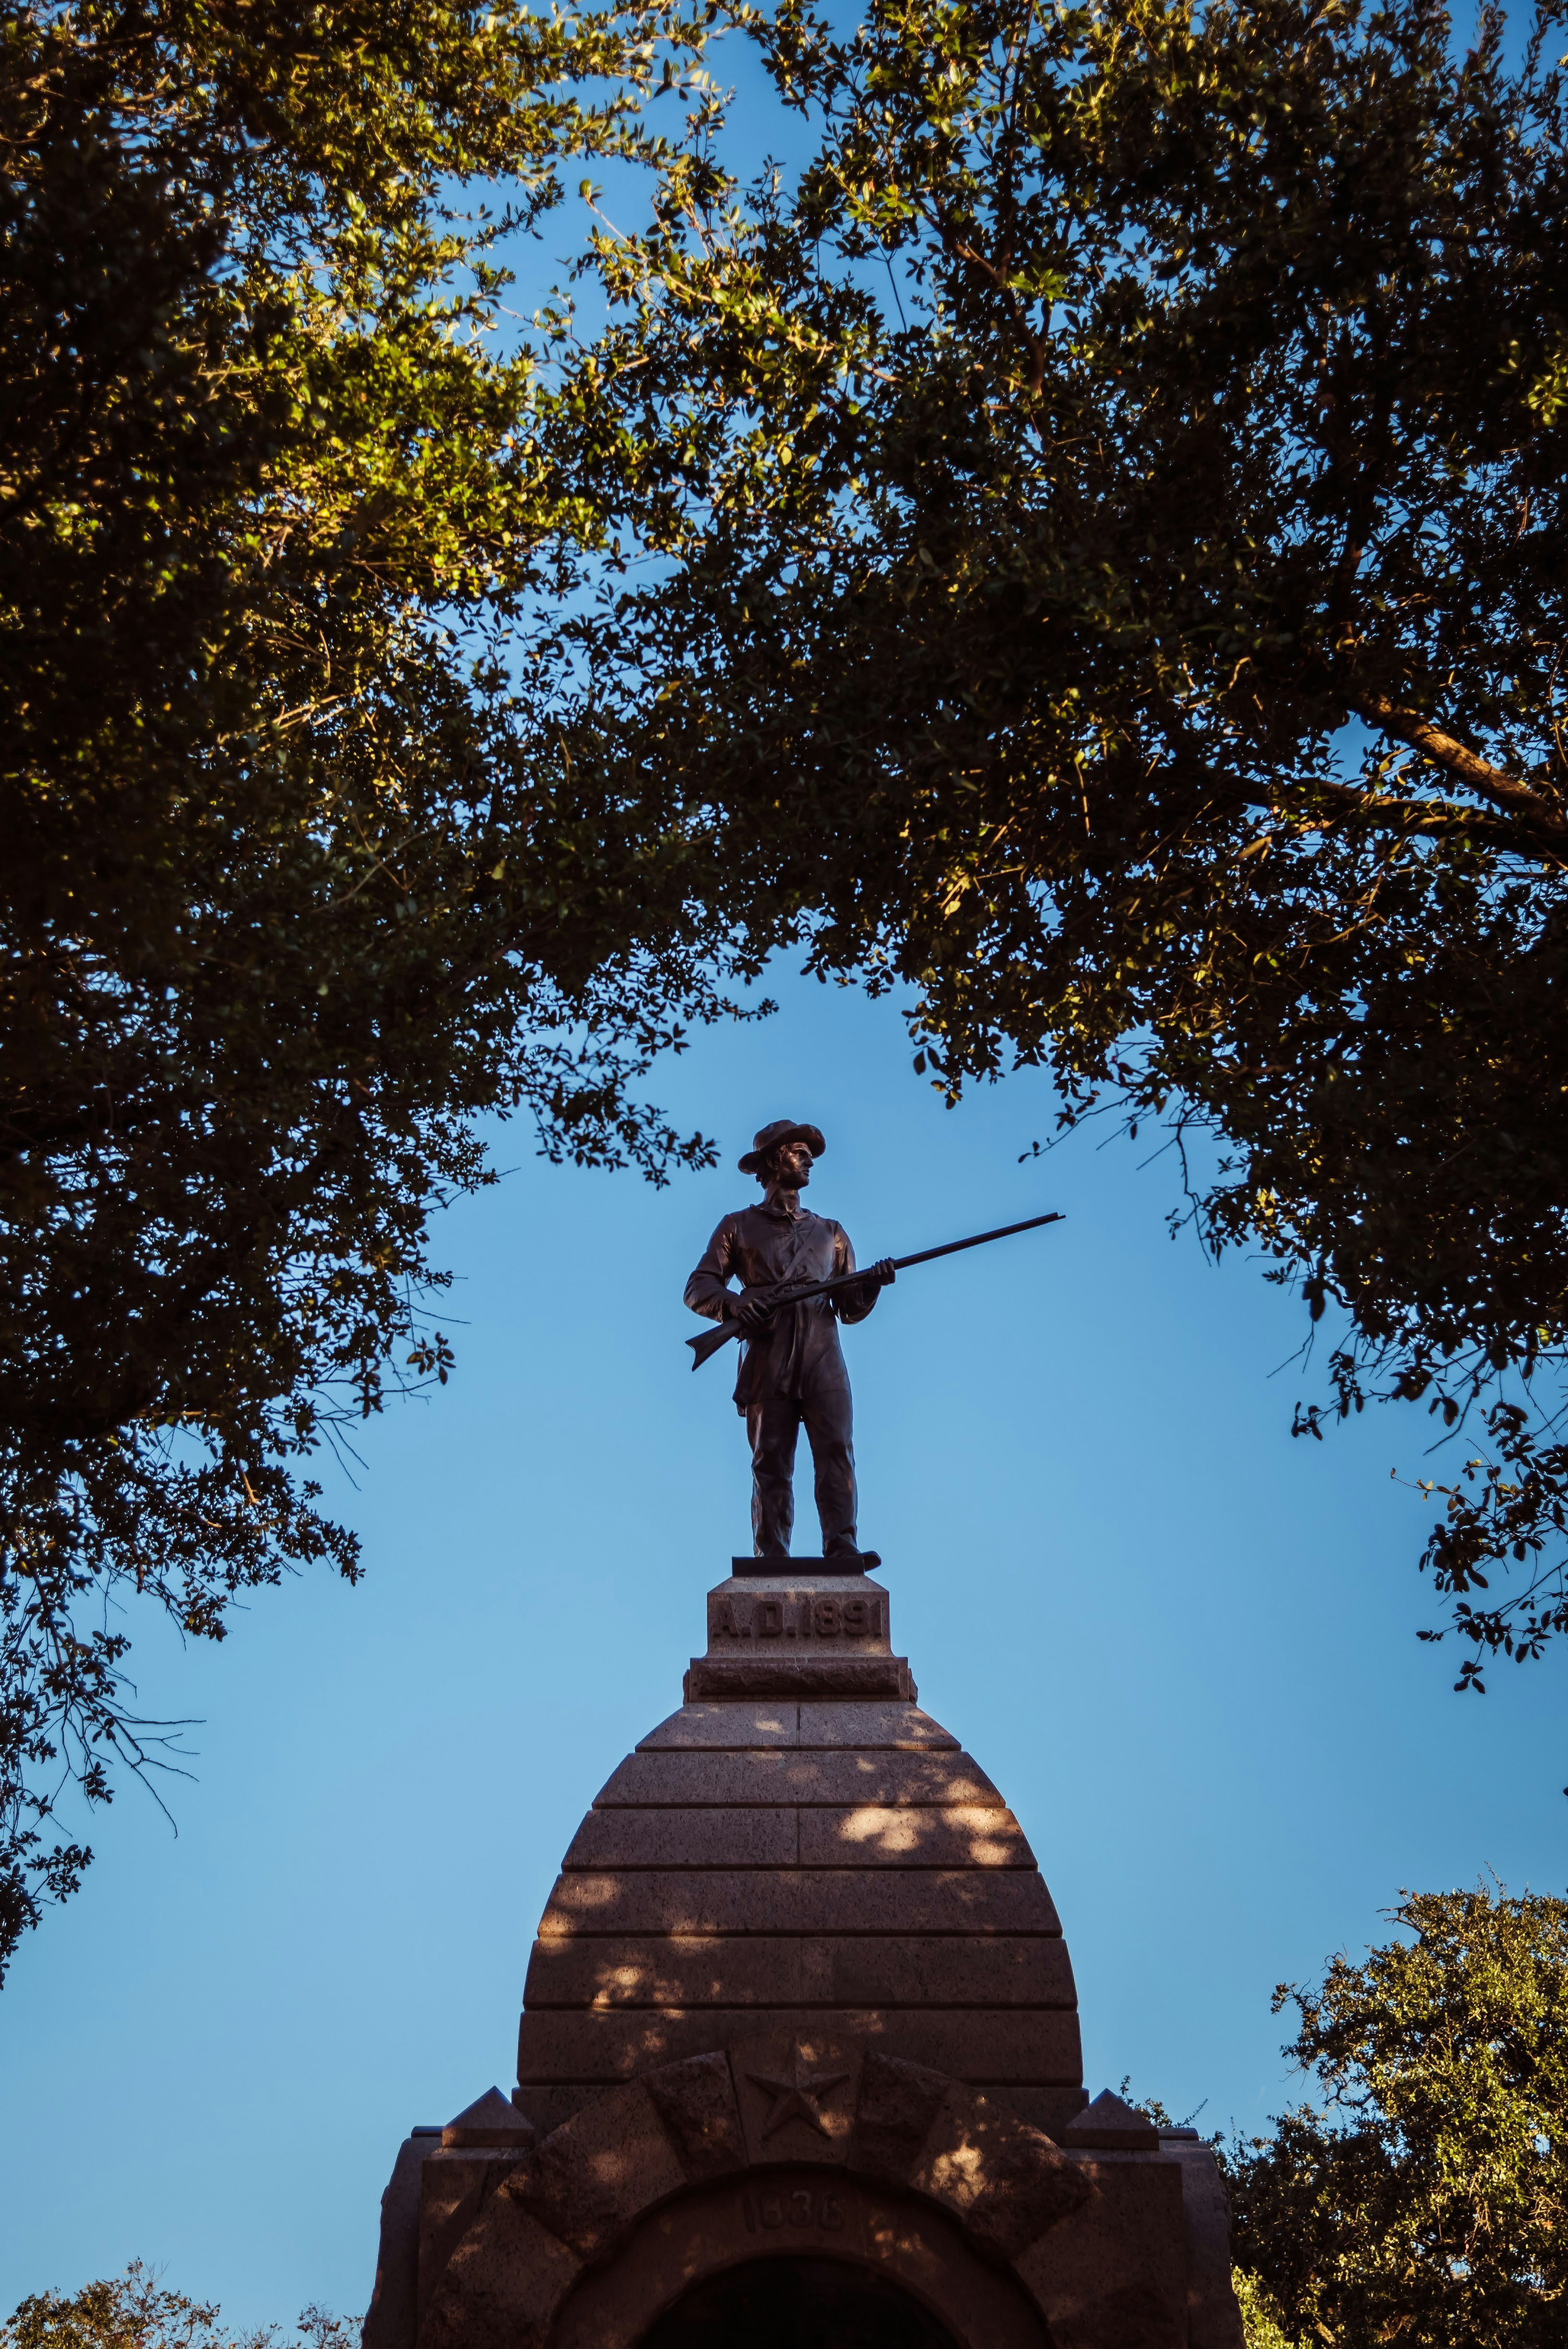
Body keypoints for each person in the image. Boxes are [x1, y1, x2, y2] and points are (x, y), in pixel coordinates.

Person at [684, 1120, 894, 1558]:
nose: (809, 1160)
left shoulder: (830, 1233)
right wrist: (736, 1305)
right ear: (775, 1160)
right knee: (771, 1461)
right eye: (799, 1151)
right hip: (768, 1355)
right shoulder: (737, 1226)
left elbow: (850, 1307)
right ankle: (770, 1555)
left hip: (822, 1356)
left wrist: (872, 1284)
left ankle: (842, 1548)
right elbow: (698, 1288)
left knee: (836, 1450)